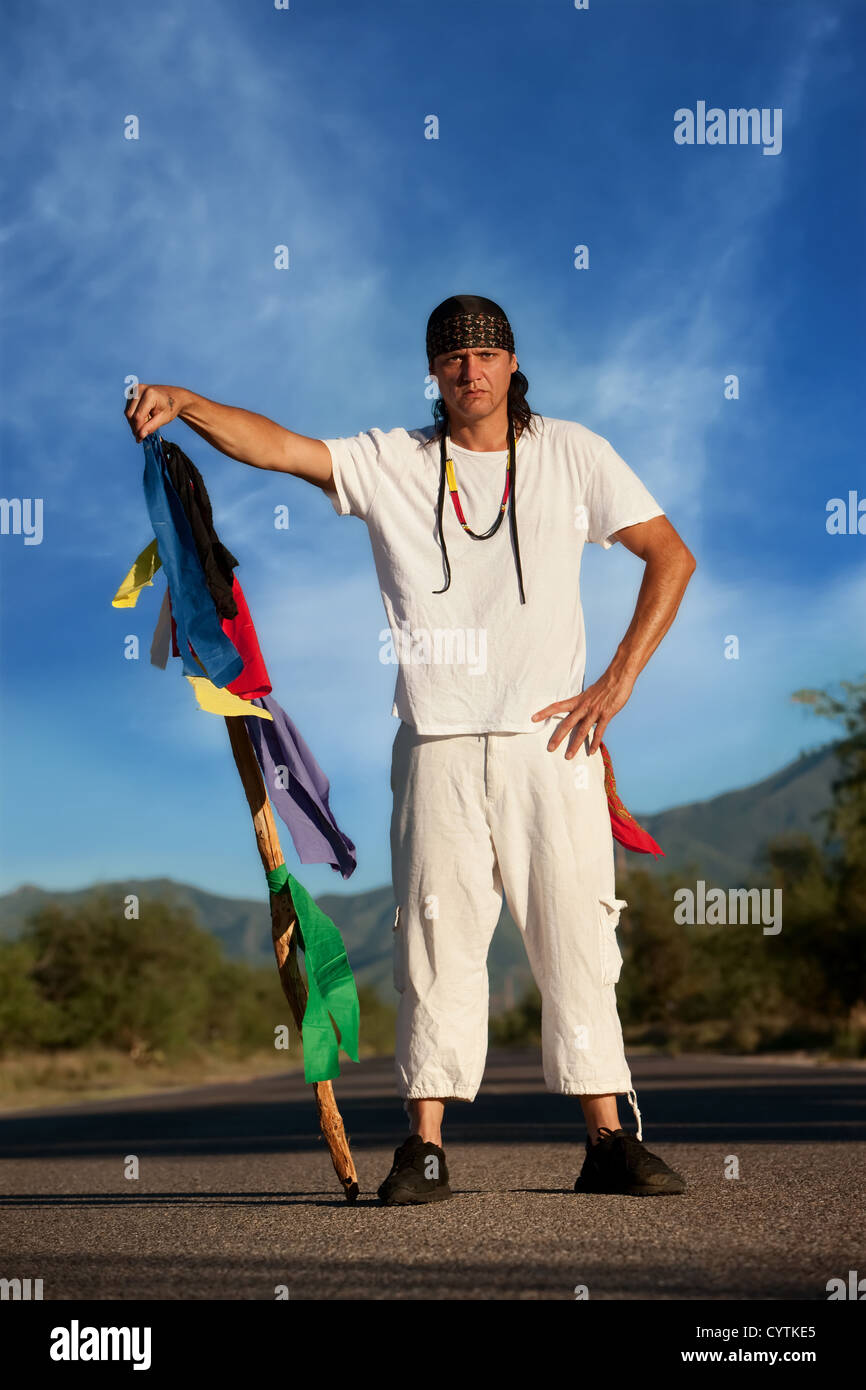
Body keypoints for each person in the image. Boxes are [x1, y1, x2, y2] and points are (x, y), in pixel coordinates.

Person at [125, 293, 695, 1204]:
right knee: (434, 939)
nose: (470, 369)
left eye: (485, 353)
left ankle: (609, 1143)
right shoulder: (395, 462)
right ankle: (423, 1149)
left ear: (512, 363)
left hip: (552, 740)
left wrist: (617, 681)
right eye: (451, 357)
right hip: (433, 739)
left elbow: (670, 554)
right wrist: (187, 401)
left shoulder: (575, 454)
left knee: (578, 937)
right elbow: (279, 447)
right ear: (433, 372)